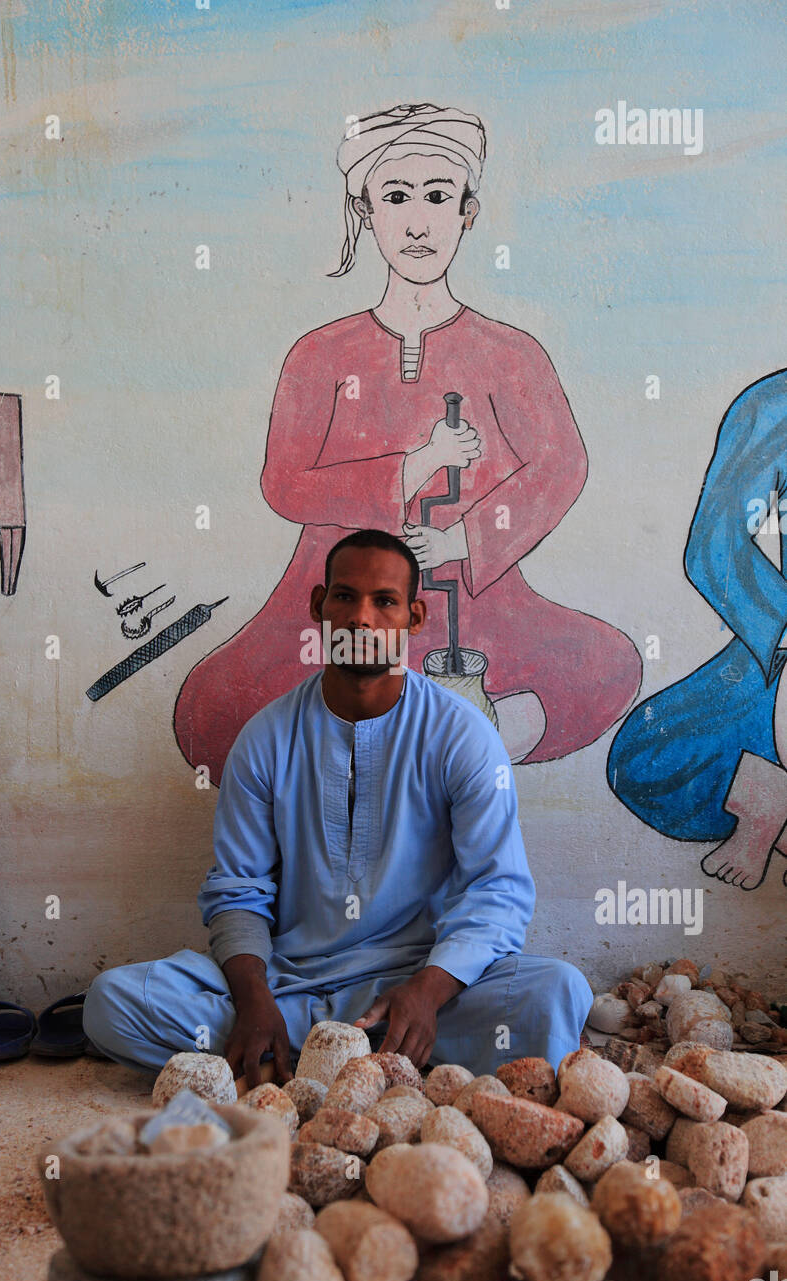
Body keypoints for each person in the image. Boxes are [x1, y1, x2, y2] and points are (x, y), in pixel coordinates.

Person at [173, 101, 641, 785]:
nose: (417, 222)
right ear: (365, 210)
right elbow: (285, 483)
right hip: (337, 597)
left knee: (606, 666)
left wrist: (462, 542)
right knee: (210, 713)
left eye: (438, 196)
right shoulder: (320, 353)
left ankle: (468, 739)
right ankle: (404, 740)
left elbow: (562, 465)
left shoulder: (509, 352)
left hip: (481, 599)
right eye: (395, 196)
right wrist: (416, 465)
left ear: (467, 212)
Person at [85, 530, 594, 1081]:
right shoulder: (266, 738)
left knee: (557, 995)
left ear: (414, 617)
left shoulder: (462, 734)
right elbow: (238, 891)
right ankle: (349, 1061)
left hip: (417, 982)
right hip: (290, 983)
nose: (362, 619)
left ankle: (305, 1063)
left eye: (385, 601)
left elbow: (499, 889)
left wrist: (426, 992)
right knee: (113, 1002)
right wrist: (255, 1001)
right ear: (318, 607)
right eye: (345, 597)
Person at [608, 368, 787, 890]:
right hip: (777, 641)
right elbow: (716, 548)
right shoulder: (774, 405)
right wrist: (778, 632)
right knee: (647, 764)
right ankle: (765, 792)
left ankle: (769, 799)